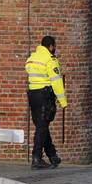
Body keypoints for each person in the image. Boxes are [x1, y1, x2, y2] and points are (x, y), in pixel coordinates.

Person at [25, 35, 66, 169]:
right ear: (51, 46)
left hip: (32, 94)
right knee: (42, 127)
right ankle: (36, 158)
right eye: (54, 46)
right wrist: (63, 101)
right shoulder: (50, 60)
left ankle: (53, 156)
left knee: (41, 125)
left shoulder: (32, 58)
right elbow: (57, 81)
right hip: (45, 96)